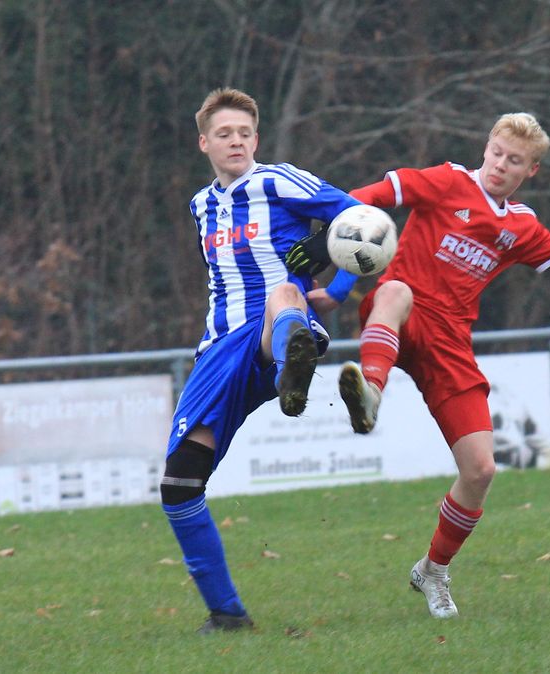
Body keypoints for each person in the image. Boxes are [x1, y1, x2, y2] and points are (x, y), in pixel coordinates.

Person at [285, 112, 550, 619]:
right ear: (486, 148)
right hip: (403, 313)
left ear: (532, 171)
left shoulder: (521, 227)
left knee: (481, 470)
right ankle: (370, 391)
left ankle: (432, 571)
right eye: (498, 153)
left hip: (451, 344)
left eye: (516, 161)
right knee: (392, 289)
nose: (501, 166)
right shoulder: (446, 181)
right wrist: (335, 257)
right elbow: (362, 199)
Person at [162, 88, 362, 634]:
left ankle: (289, 366)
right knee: (179, 486)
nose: (236, 141)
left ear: (257, 139)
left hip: (279, 321)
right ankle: (227, 615)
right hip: (218, 349)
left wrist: (337, 284)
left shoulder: (278, 180)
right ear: (204, 142)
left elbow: (360, 218)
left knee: (281, 295)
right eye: (225, 134)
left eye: (245, 133)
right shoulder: (201, 206)